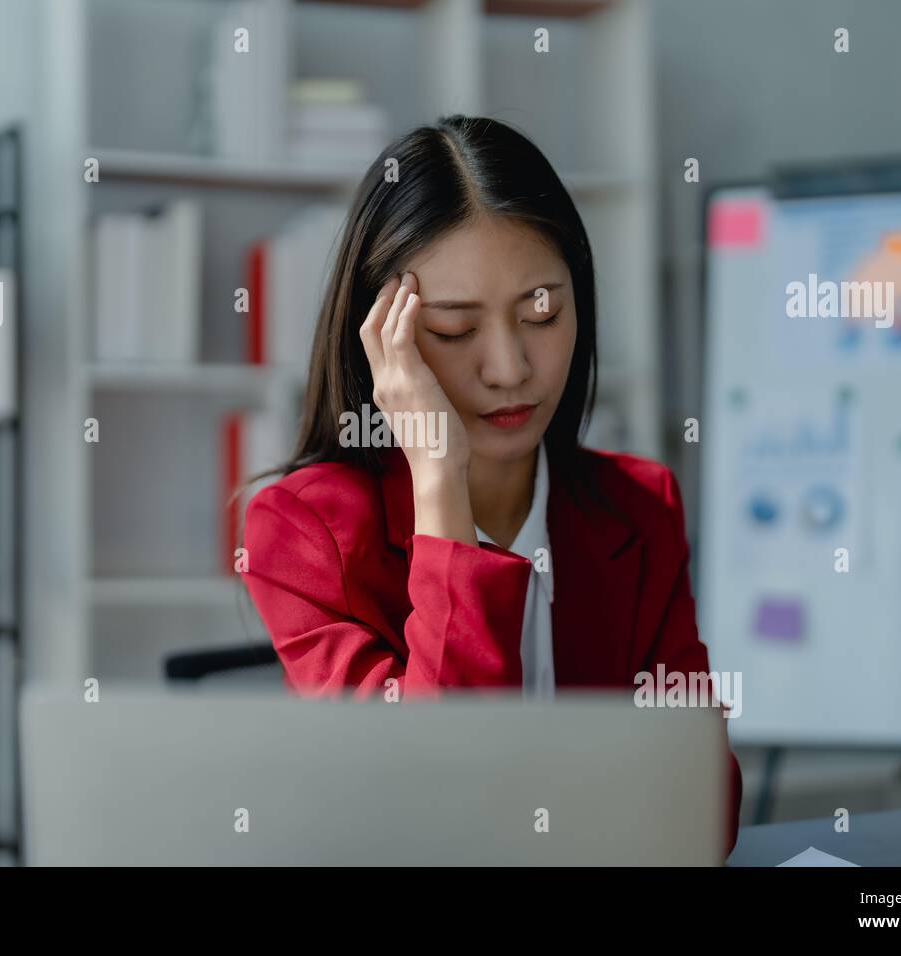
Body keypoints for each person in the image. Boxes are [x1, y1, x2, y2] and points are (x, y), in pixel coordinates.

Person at [241, 115, 741, 855]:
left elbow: (701, 810)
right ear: (386, 343)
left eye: (542, 312)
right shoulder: (303, 531)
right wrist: (441, 485)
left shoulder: (639, 507)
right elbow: (426, 814)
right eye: (452, 330)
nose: (508, 368)